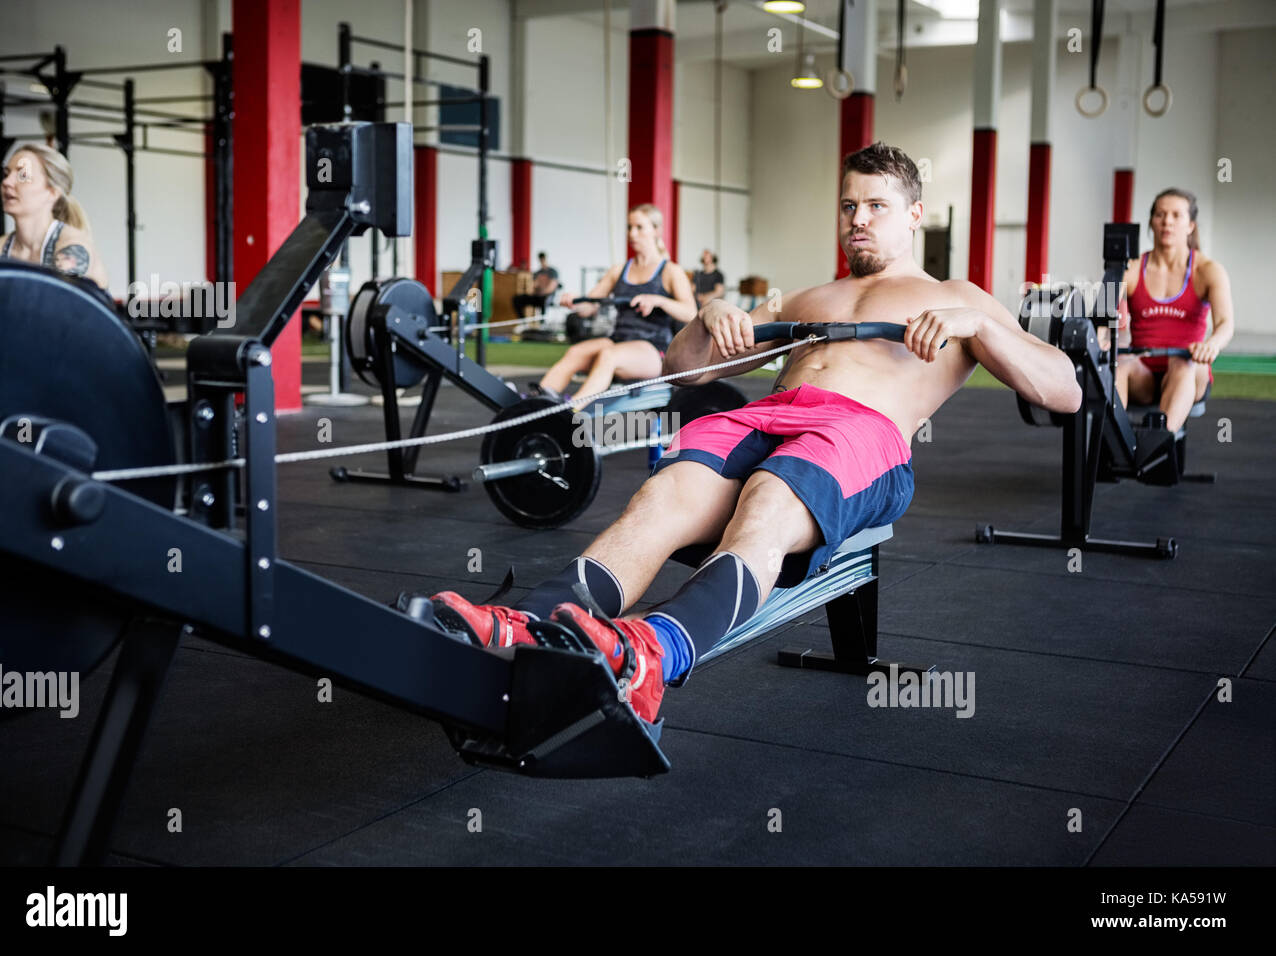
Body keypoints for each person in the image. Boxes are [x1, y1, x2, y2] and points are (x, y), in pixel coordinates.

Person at [431, 143, 1081, 722]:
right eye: (849, 205)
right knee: (661, 497)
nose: (858, 218)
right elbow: (683, 371)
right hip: (761, 418)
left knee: (769, 498)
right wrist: (708, 316)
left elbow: (1064, 391)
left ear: (914, 214)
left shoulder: (955, 293)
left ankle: (652, 651)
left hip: (862, 434)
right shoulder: (805, 299)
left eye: (876, 206)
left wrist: (981, 326)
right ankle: (531, 624)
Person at [534, 204, 696, 404]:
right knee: (576, 352)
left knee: (609, 355)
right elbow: (590, 306)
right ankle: (536, 405)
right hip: (618, 341)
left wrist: (658, 301)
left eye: (639, 227)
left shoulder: (670, 271)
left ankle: (571, 410)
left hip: (654, 350)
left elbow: (691, 313)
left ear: (656, 230)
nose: (632, 234)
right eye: (629, 227)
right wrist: (575, 302)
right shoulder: (618, 270)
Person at [1115, 188, 1234, 432]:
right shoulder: (1131, 269)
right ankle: (1112, 441)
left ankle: (1157, 446)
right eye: (1160, 214)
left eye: (1176, 215)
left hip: (1189, 371)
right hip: (1143, 375)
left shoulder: (1208, 270)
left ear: (1190, 225)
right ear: (1151, 221)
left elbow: (1225, 323)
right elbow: (1102, 317)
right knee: (1121, 363)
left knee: (1183, 364)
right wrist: (1103, 338)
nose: (1167, 221)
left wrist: (1212, 344)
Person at [0, 143, 107, 289]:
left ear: (52, 192)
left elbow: (58, 303)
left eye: (22, 175)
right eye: (6, 174)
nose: (6, 182)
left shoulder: (73, 248)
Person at [513, 251, 561, 316]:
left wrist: (542, 290)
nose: (542, 260)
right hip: (538, 296)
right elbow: (533, 287)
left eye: (543, 258)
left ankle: (542, 322)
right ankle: (523, 322)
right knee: (517, 299)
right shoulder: (537, 273)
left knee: (544, 299)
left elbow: (551, 288)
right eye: (540, 259)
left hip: (548, 297)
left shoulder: (552, 271)